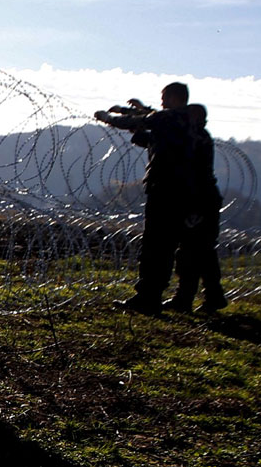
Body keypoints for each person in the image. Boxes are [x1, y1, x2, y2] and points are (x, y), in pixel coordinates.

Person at [95, 82, 194, 315]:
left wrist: (107, 117)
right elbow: (150, 126)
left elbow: (145, 121)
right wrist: (134, 112)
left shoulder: (170, 118)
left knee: (155, 245)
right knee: (166, 246)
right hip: (180, 190)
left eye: (164, 97)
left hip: (165, 189)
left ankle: (147, 298)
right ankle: (153, 296)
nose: (161, 101)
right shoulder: (185, 121)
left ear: (174, 97)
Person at [170, 102, 228, 315]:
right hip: (201, 199)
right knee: (199, 251)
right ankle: (208, 296)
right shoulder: (198, 136)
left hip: (200, 201)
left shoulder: (196, 138)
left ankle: (192, 297)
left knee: (194, 251)